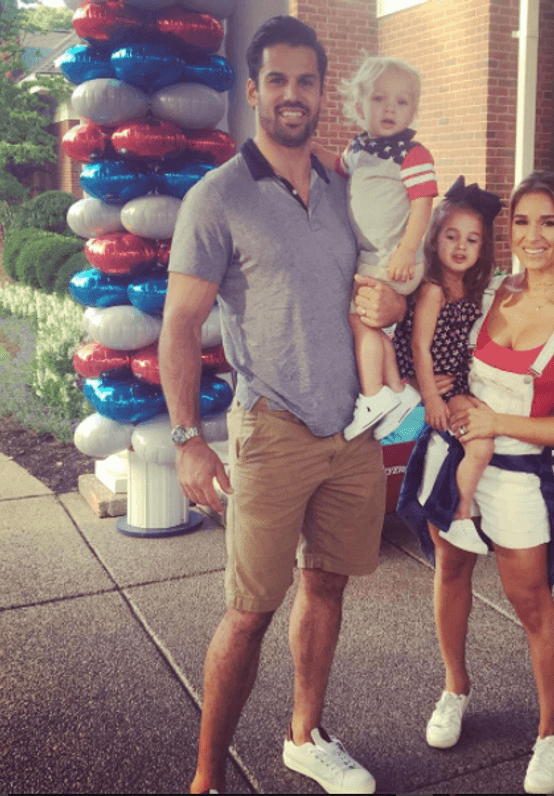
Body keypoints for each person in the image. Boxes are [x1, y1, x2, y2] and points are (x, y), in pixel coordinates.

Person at [158, 16, 408, 795]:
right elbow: (180, 326)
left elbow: (381, 279)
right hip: (271, 430)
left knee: (327, 585)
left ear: (323, 91)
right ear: (253, 88)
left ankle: (305, 736)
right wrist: (187, 439)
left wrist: (395, 305)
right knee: (248, 612)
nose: (292, 94)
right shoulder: (218, 197)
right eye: (277, 80)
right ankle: (207, 778)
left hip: (351, 431)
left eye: (306, 81)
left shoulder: (344, 186)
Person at [397, 171, 554, 795]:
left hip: (517, 475)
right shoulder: (491, 289)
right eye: (521, 221)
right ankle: (455, 687)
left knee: (532, 602)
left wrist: (496, 422)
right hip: (454, 457)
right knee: (450, 570)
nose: (533, 235)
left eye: (548, 222)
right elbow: (422, 326)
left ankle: (553, 733)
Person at [314, 55, 438, 442]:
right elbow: (338, 165)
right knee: (369, 324)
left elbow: (423, 204)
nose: (390, 109)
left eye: (402, 102)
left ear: (413, 110)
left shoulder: (413, 154)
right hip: (373, 258)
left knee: (359, 321)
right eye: (379, 98)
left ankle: (373, 397)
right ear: (359, 106)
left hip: (395, 258)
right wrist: (310, 149)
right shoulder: (359, 150)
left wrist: (407, 250)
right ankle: (398, 392)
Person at [392, 176, 501, 555]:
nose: (460, 247)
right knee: (482, 443)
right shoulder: (433, 288)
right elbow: (419, 347)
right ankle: (458, 515)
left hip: (455, 382)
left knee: (487, 426)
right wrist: (432, 398)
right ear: (435, 238)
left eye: (471, 240)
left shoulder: (468, 287)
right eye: (451, 236)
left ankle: (458, 500)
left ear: (482, 248)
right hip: (435, 383)